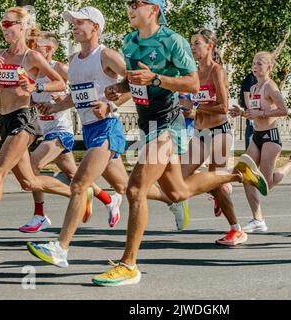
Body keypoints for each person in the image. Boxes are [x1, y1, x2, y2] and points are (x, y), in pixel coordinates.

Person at [91, 0, 267, 286]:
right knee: (177, 191)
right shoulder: (130, 41)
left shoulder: (173, 41)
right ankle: (239, 174)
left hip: (168, 125)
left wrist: (157, 78)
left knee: (136, 189)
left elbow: (192, 84)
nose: (130, 8)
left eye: (137, 3)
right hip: (147, 123)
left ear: (154, 9)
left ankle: (129, 264)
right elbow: (135, 79)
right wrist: (119, 88)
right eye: (128, 4)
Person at [0, 7, 97, 253]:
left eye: (10, 23)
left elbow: (60, 82)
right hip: (5, 119)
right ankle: (78, 194)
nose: (5, 27)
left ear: (22, 27)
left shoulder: (31, 57)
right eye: (3, 24)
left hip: (24, 120)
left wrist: (33, 87)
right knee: (29, 182)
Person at [26, 7, 132, 267]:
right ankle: (174, 197)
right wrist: (54, 107)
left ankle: (60, 248)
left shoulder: (106, 55)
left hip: (108, 126)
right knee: (130, 188)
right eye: (72, 23)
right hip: (89, 129)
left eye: (79, 22)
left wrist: (111, 105)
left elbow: (136, 83)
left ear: (95, 27)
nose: (73, 26)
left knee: (79, 185)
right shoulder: (74, 60)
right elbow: (77, 96)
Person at [19, 31, 121, 233]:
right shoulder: (31, 71)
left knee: (32, 166)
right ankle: (108, 200)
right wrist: (32, 101)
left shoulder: (61, 68)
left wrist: (60, 97)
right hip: (45, 127)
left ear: (48, 49)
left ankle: (40, 214)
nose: (30, 49)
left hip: (61, 130)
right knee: (75, 174)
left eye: (34, 45)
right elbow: (29, 96)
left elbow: (77, 92)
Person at [175, 29, 246, 245]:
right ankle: (215, 192)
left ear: (210, 46)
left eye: (197, 43)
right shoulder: (193, 73)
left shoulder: (217, 71)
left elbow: (224, 107)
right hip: (199, 134)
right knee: (179, 177)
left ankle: (237, 229)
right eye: (192, 44)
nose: (193, 47)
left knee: (216, 182)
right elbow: (192, 102)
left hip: (219, 134)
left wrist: (196, 107)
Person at [230, 51, 291, 233]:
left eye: (260, 63)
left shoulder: (270, 86)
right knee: (246, 176)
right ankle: (258, 220)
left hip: (270, 137)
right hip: (256, 137)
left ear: (269, 67)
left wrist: (263, 114)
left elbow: (284, 110)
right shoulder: (253, 89)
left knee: (264, 185)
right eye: (254, 63)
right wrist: (241, 113)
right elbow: (254, 113)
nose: (255, 66)